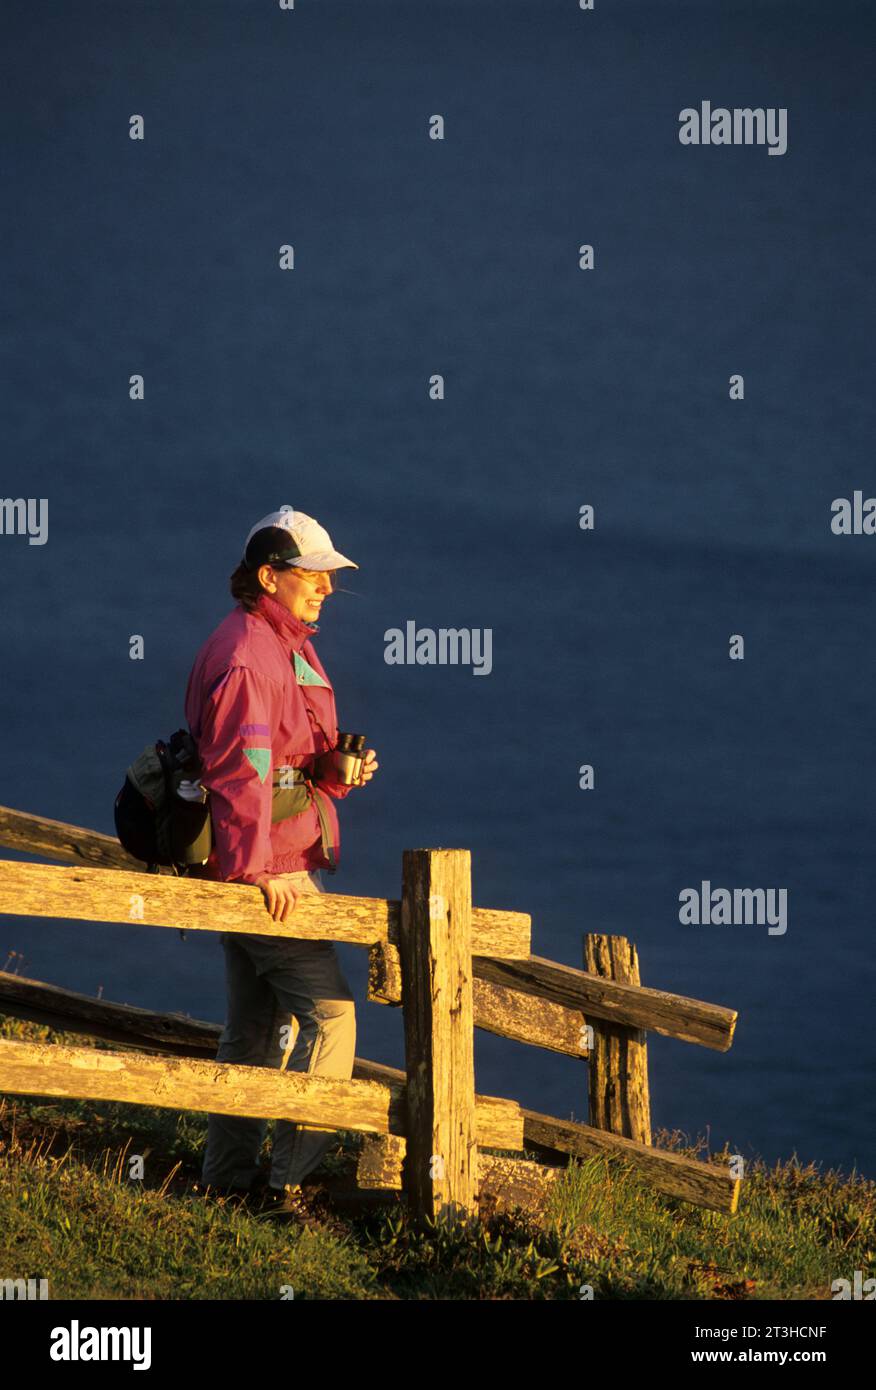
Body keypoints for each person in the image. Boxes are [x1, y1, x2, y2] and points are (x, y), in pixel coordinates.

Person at [184, 506, 378, 1218]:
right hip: (266, 875)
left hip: (263, 864)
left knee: (256, 1032)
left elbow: (281, 767)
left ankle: (227, 1180)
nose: (327, 588)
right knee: (332, 1019)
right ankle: (288, 1187)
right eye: (313, 575)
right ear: (270, 576)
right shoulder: (248, 656)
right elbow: (240, 773)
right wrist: (256, 872)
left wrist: (333, 769)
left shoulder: (275, 643)